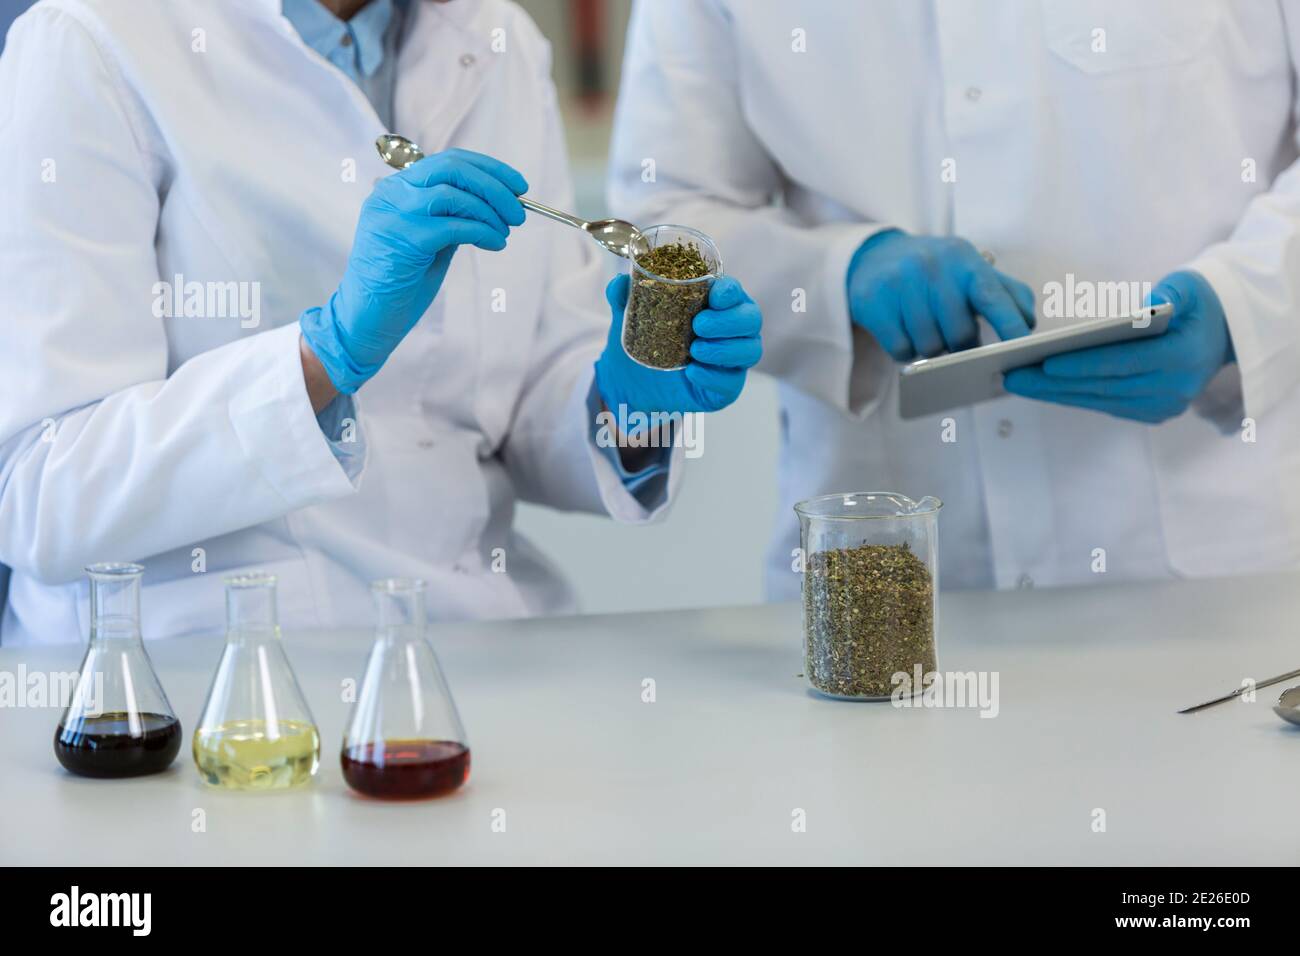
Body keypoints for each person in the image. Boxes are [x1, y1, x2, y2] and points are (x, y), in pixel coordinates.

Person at [0, 0, 763, 645]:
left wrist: (629, 404)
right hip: (214, 666)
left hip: (478, 640)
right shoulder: (89, 42)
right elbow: (40, 493)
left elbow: (516, 401)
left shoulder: (495, 37)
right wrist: (324, 355)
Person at [609, 0, 1300, 598]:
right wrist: (838, 273)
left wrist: (1243, 308)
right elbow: (665, 209)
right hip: (879, 563)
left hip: (1213, 569)